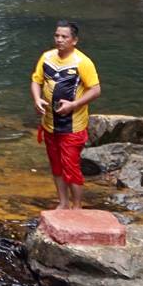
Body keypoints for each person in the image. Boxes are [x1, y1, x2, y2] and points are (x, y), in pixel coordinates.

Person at [29, 20, 101, 210]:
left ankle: (77, 207)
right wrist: (37, 99)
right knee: (56, 166)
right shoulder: (46, 57)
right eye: (57, 36)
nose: (59, 40)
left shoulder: (82, 62)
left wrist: (74, 104)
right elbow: (36, 81)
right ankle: (63, 203)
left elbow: (95, 90)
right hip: (49, 123)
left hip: (72, 125)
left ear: (74, 40)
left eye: (64, 37)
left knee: (71, 167)